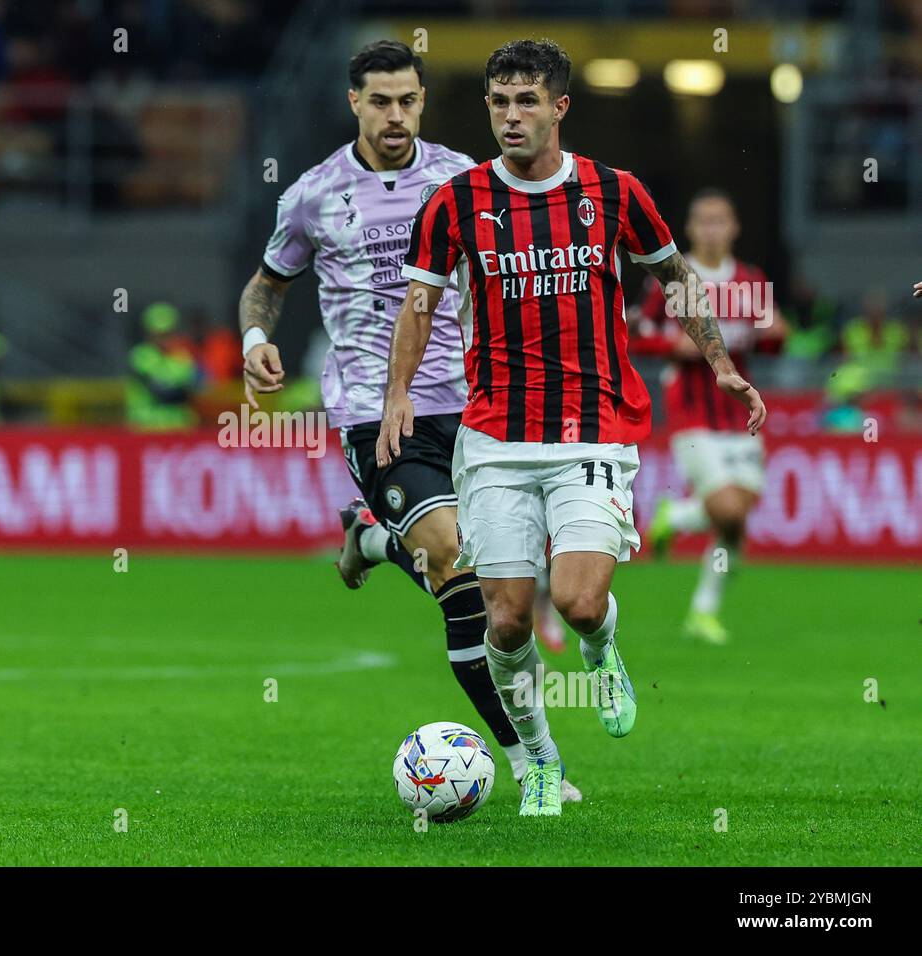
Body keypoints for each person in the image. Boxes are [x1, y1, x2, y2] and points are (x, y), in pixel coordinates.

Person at [378, 39, 766, 816]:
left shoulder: (614, 192)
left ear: (559, 106)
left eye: (526, 101)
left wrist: (718, 361)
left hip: (591, 431)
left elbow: (674, 277)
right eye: (497, 101)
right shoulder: (454, 203)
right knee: (510, 615)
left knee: (581, 602)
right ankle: (543, 763)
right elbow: (419, 304)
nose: (510, 116)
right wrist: (397, 395)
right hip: (493, 437)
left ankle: (600, 650)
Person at [240, 39, 577, 801]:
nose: (395, 115)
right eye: (380, 101)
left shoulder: (461, 178)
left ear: (423, 101)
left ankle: (371, 537)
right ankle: (533, 760)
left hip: (477, 404)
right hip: (375, 412)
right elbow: (267, 284)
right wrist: (257, 338)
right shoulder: (313, 194)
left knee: (501, 587)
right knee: (459, 573)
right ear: (353, 102)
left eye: (408, 100)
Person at [634, 188, 787, 645]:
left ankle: (703, 609)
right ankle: (679, 517)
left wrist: (775, 332)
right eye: (704, 221)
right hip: (692, 416)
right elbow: (635, 334)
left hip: (742, 417)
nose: (712, 229)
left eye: (720, 221)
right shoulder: (676, 279)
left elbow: (772, 341)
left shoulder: (750, 280)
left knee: (736, 519)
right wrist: (672, 347)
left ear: (734, 227)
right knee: (724, 507)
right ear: (690, 228)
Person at [125, 301, 200, 430]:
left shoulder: (183, 356)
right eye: (160, 334)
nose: (164, 339)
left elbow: (197, 389)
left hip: (179, 428)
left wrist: (179, 391)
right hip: (147, 428)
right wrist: (180, 391)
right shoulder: (141, 356)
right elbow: (161, 393)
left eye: (168, 333)